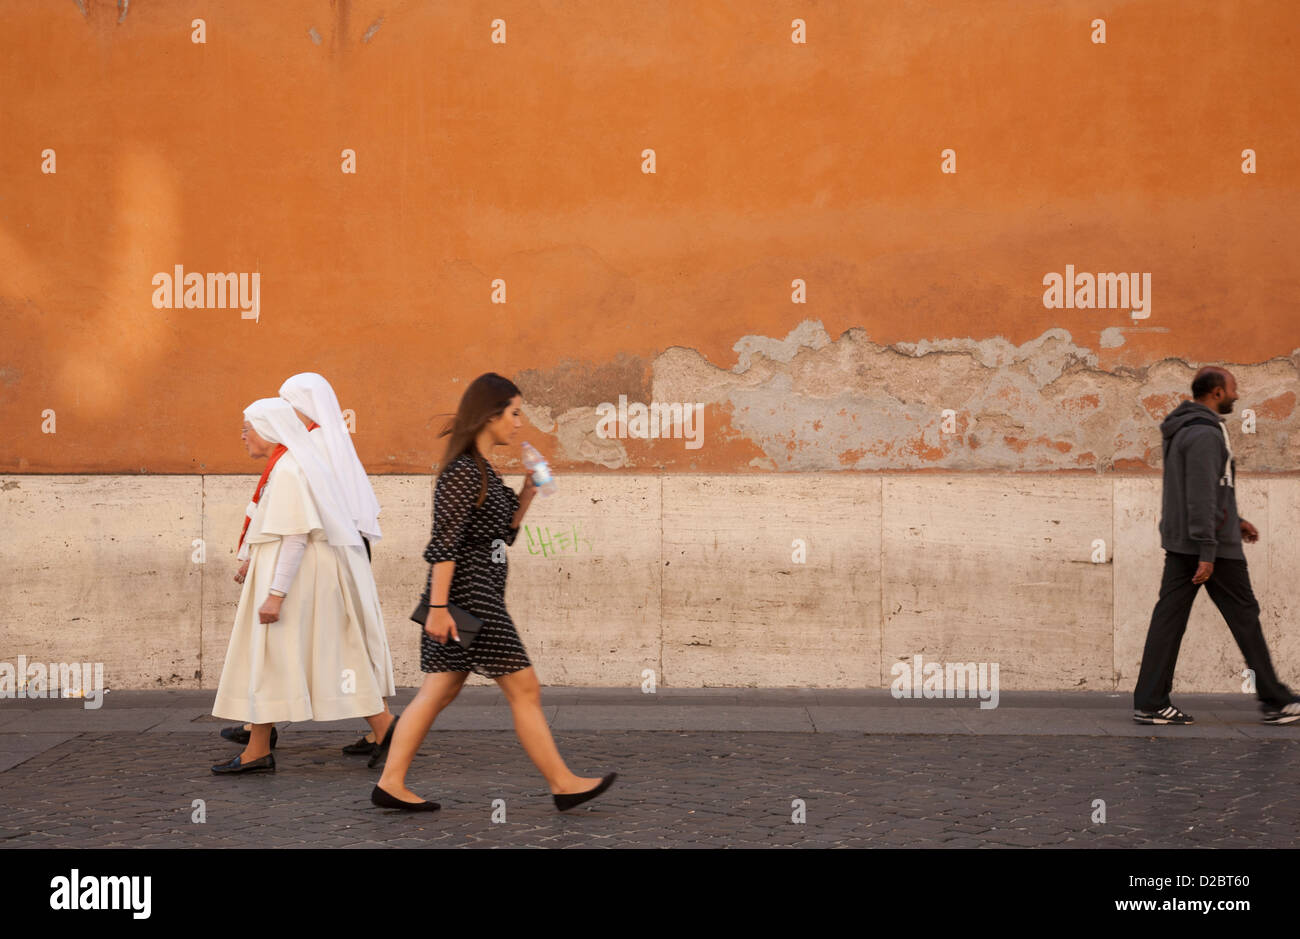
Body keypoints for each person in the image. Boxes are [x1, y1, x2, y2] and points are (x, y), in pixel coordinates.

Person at [371, 372, 616, 811]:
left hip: (473, 598)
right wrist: (441, 608)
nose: (519, 423)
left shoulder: (482, 471)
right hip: (469, 600)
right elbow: (444, 544)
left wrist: (527, 490)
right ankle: (562, 783)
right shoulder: (463, 473)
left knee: (437, 693)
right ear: (490, 415)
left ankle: (390, 783)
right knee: (525, 688)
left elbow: (504, 534)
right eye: (514, 412)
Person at [210, 398, 397, 774]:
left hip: (294, 580)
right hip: (293, 576)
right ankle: (381, 727)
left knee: (273, 658)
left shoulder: (291, 468)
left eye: (247, 428)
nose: (243, 436)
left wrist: (275, 595)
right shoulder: (288, 464)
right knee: (285, 658)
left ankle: (259, 751)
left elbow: (295, 537)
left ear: (268, 429)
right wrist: (253, 561)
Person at [1133, 366, 1300, 725]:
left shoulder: (1184, 429)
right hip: (1211, 550)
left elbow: (1208, 488)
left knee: (1169, 620)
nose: (1237, 395)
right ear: (1216, 393)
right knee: (1245, 618)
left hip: (1189, 542)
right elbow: (1200, 495)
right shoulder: (1205, 434)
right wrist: (1209, 551)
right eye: (1233, 389)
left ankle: (1149, 702)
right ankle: (1275, 701)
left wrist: (1235, 520)